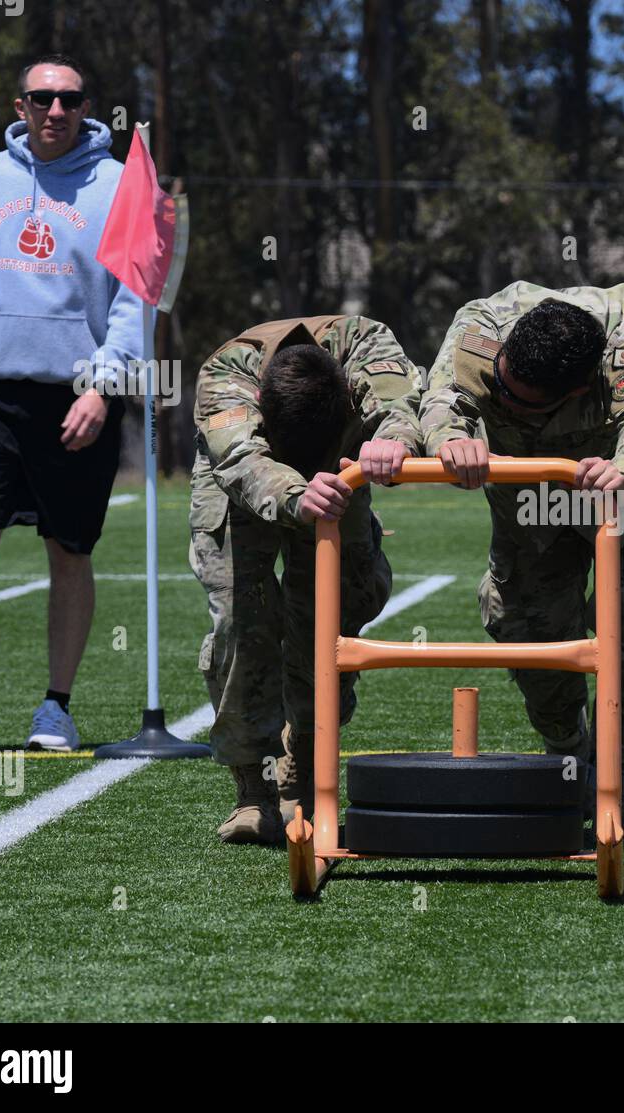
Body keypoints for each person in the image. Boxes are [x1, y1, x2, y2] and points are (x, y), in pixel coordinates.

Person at [0, 54, 142, 752]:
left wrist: (104, 387)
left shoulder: (119, 185)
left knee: (70, 549)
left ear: (86, 108)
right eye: (42, 98)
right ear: (20, 107)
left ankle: (56, 709)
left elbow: (135, 301)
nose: (56, 110)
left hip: (79, 397)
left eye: (70, 99)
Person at [419, 282, 624, 845]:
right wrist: (451, 438)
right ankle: (569, 755)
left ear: (583, 387)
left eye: (528, 404)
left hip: (620, 491)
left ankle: (623, 789)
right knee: (525, 624)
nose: (510, 404)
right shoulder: (482, 327)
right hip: (527, 490)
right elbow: (444, 396)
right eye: (504, 391)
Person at [191, 315, 421, 844]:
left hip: (341, 469)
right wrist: (296, 494)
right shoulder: (227, 374)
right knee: (240, 616)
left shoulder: (366, 345)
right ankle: (253, 790)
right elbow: (240, 457)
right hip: (243, 478)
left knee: (335, 610)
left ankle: (307, 756)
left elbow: (402, 404)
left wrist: (393, 441)